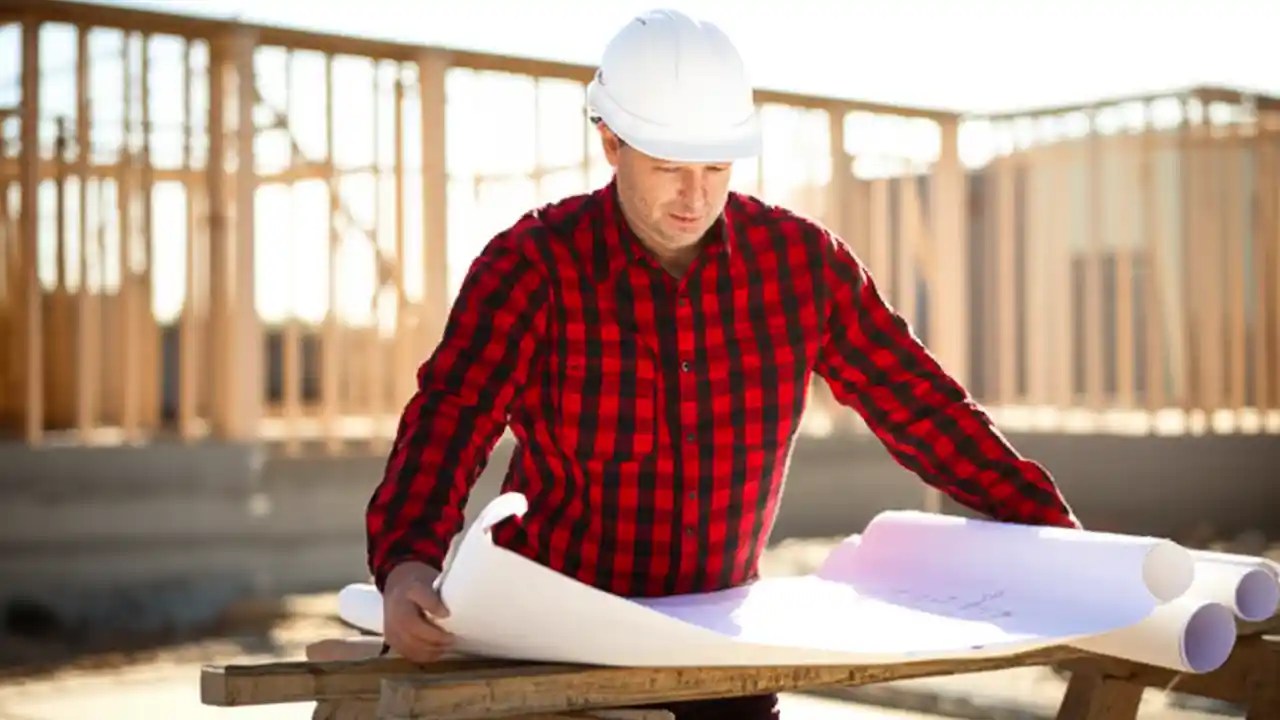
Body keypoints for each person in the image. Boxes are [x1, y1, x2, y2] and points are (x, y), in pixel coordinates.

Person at [366, 8, 1080, 719]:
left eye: (716, 166)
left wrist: (1052, 534)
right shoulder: (533, 265)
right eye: (670, 168)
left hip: (718, 646)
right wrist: (407, 564)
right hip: (552, 634)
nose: (696, 195)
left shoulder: (801, 267)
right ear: (611, 143)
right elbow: (451, 418)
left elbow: (920, 407)